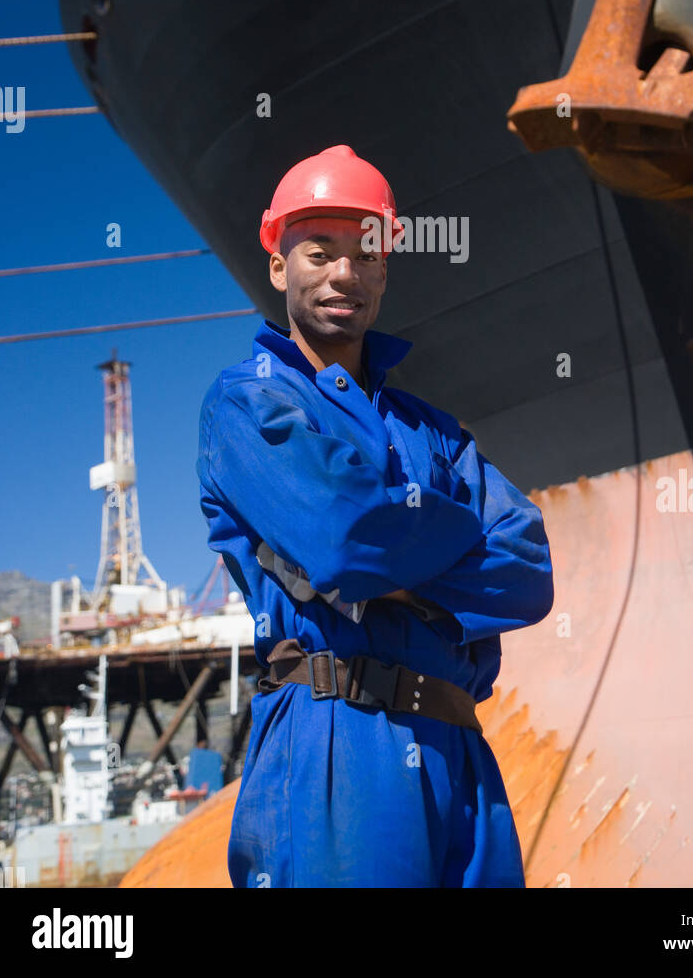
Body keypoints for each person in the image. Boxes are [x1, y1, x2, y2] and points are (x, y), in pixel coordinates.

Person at [197, 144, 554, 888]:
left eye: (365, 256)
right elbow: (347, 540)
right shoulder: (249, 403)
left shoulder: (434, 428)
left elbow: (528, 574)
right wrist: (458, 532)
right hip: (338, 741)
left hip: (461, 746)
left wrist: (397, 566)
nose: (343, 275)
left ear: (385, 272)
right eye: (319, 253)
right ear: (278, 266)